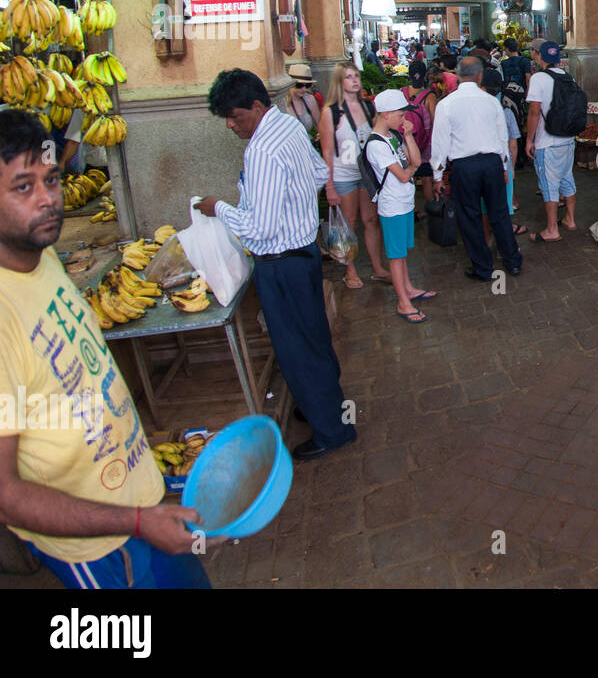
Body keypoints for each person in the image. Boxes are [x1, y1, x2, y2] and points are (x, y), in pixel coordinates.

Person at [0, 111, 208, 589]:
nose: (48, 199)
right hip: (101, 550)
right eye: (22, 187)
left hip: (145, 504)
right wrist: (135, 523)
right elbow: (8, 495)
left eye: (50, 179)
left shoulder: (42, 256)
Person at [193, 70, 355, 462]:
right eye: (226, 120)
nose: (231, 126)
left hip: (280, 263)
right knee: (313, 338)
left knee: (295, 349)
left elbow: (260, 228)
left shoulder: (261, 150)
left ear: (257, 105)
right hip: (304, 254)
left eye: (236, 117)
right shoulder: (288, 124)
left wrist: (219, 208)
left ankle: (331, 430)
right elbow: (319, 173)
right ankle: (323, 406)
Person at [430, 57, 523, 281]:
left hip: (464, 167)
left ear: (458, 75)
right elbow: (502, 137)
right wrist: (503, 166)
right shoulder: (491, 102)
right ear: (480, 75)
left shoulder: (447, 104)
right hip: (492, 163)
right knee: (499, 214)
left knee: (469, 217)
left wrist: (437, 175)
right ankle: (512, 261)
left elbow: (440, 142)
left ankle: (483, 268)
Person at [366, 89, 437, 324]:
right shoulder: (376, 144)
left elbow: (415, 162)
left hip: (404, 201)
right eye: (400, 114)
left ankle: (408, 289)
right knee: (396, 256)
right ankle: (403, 303)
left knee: (403, 252)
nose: (404, 119)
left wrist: (408, 135)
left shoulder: (393, 136)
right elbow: (404, 175)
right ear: (385, 114)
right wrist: (410, 171)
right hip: (392, 205)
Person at [319, 63, 390, 290]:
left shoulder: (368, 106)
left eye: (356, 76)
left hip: (366, 173)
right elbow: (327, 151)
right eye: (349, 77)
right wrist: (329, 186)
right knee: (348, 223)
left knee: (371, 220)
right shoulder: (330, 112)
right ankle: (350, 270)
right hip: (343, 174)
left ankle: (377, 268)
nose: (355, 81)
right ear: (340, 82)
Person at [526, 40, 578, 243]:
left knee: (549, 185)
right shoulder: (568, 76)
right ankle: (570, 220)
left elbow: (534, 112)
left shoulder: (538, 78)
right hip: (568, 138)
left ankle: (552, 229)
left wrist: (529, 140)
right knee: (567, 177)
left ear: (538, 55)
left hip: (547, 141)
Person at [479, 69, 526, 238]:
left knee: (485, 209)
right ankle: (503, 247)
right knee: (503, 209)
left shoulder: (476, 112)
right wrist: (511, 168)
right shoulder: (506, 111)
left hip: (481, 167)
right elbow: (513, 143)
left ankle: (485, 242)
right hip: (503, 167)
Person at [402, 59, 438, 208]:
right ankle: (430, 210)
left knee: (409, 176)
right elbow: (435, 121)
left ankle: (414, 209)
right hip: (424, 145)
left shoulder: (401, 92)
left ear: (409, 76)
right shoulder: (429, 96)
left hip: (405, 143)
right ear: (425, 76)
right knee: (427, 178)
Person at [286, 63, 322, 134]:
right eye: (299, 85)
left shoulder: (309, 99)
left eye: (308, 85)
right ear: (291, 84)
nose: (304, 89)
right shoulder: (284, 104)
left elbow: (319, 124)